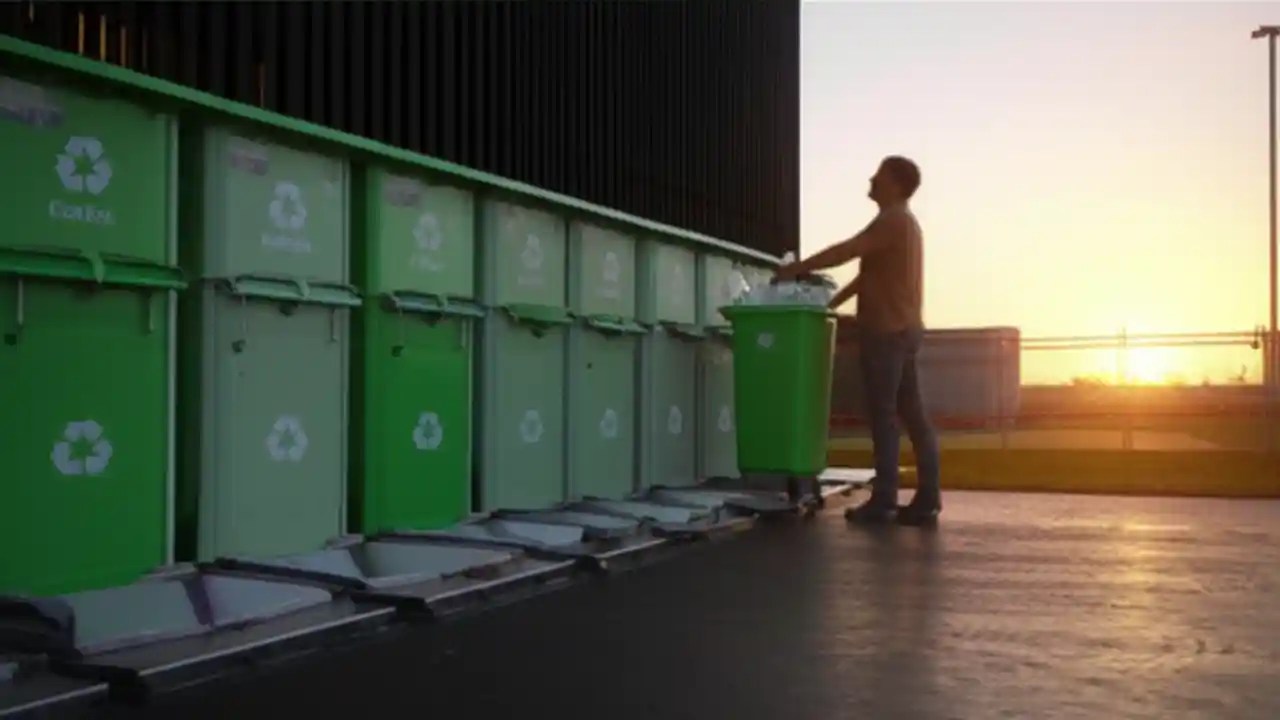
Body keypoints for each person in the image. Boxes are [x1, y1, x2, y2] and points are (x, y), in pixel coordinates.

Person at [774, 155, 941, 526]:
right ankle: (928, 498)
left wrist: (794, 270)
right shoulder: (904, 225)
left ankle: (884, 501)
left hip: (887, 332)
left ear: (896, 183)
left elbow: (846, 250)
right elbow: (867, 277)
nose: (871, 179)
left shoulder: (892, 220)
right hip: (906, 329)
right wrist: (828, 306)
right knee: (913, 414)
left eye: (878, 175)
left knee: (884, 416)